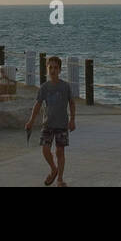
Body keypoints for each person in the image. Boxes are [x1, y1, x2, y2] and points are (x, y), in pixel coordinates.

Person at [25, 57, 77, 186]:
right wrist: (31, 121)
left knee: (60, 151)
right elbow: (37, 105)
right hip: (47, 124)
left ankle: (59, 179)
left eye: (55, 68)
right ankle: (54, 168)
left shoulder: (65, 86)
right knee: (45, 149)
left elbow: (72, 103)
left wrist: (72, 120)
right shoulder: (44, 87)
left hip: (62, 124)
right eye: (50, 67)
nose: (53, 70)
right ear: (47, 69)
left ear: (59, 70)